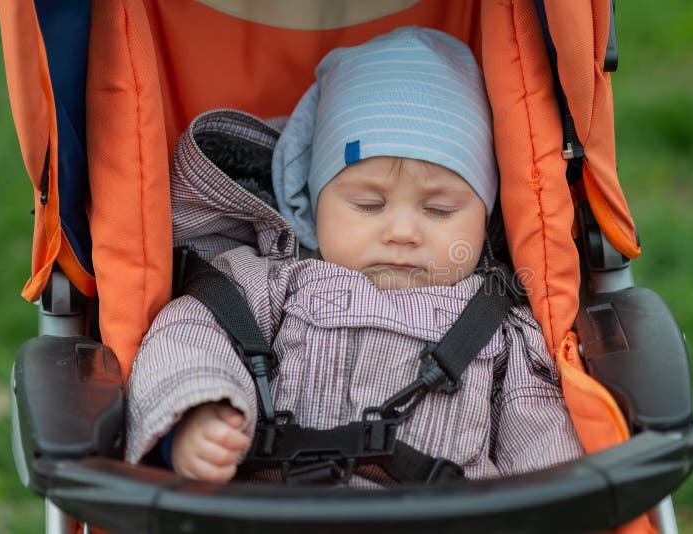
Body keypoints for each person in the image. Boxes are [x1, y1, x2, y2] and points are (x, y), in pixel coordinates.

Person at [125, 26, 583, 485]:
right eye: (369, 204)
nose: (402, 232)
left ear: (485, 219)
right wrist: (198, 413)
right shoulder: (270, 283)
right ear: (311, 203)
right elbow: (188, 336)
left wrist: (557, 499)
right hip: (272, 511)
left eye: (439, 209)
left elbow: (539, 428)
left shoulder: (502, 324)